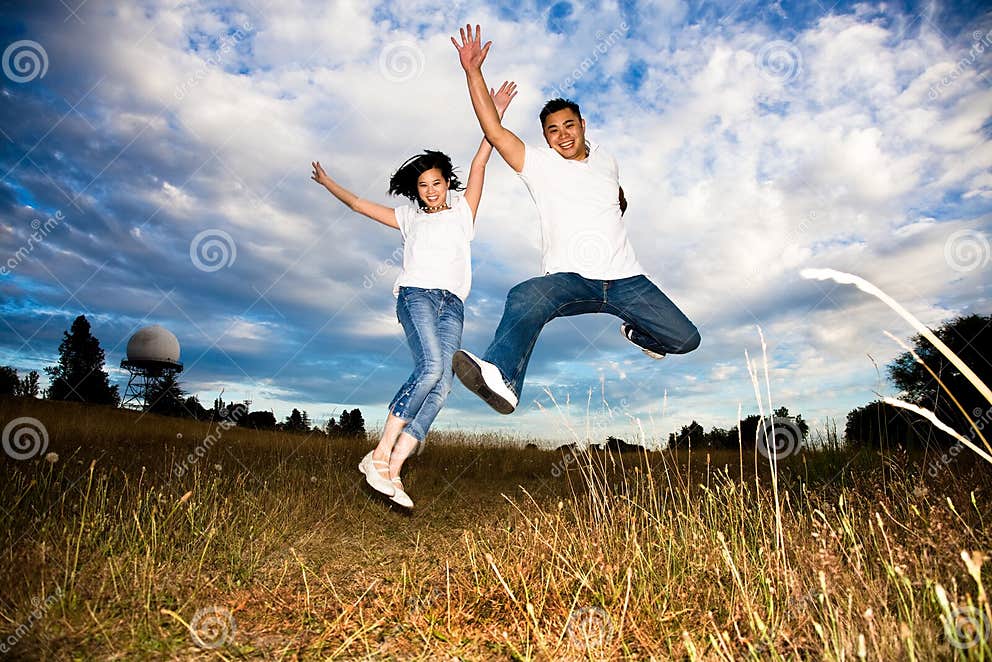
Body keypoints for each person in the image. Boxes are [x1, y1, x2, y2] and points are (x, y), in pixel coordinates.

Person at [449, 25, 700, 415]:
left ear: (583, 125)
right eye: (552, 131)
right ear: (545, 138)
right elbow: (495, 132)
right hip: (572, 280)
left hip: (626, 280)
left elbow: (614, 194)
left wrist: (617, 201)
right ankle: (502, 379)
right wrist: (472, 72)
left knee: (686, 339)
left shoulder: (607, 159)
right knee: (525, 295)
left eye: (568, 125)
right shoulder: (539, 164)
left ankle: (638, 331)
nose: (562, 135)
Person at [310, 81, 517, 507]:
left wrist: (493, 115)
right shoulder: (408, 217)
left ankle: (395, 468)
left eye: (436, 182)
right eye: (422, 185)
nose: (430, 190)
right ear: (416, 189)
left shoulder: (463, 211)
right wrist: (329, 182)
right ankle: (379, 454)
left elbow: (482, 160)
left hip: (453, 305)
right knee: (430, 368)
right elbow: (359, 206)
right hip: (417, 296)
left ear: (446, 183)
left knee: (441, 386)